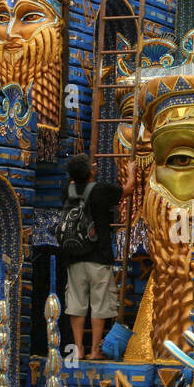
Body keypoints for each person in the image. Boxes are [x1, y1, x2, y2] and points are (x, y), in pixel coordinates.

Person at [63, 154, 133, 359]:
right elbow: (129, 190)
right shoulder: (101, 190)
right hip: (99, 257)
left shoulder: (67, 191)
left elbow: (76, 181)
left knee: (76, 304)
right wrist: (130, 171)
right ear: (90, 172)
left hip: (74, 257)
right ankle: (94, 349)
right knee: (100, 303)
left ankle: (77, 348)